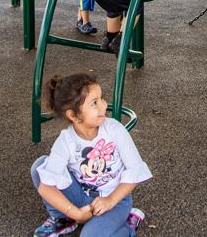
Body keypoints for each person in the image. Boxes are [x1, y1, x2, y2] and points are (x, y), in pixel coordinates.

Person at [32, 73, 150, 236]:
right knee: (40, 166)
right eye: (94, 103)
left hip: (115, 201)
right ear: (73, 115)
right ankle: (64, 219)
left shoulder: (115, 130)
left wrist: (110, 201)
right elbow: (45, 187)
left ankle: (128, 225)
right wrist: (75, 213)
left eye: (101, 98)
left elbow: (135, 172)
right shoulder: (66, 140)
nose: (103, 105)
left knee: (89, 235)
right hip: (82, 197)